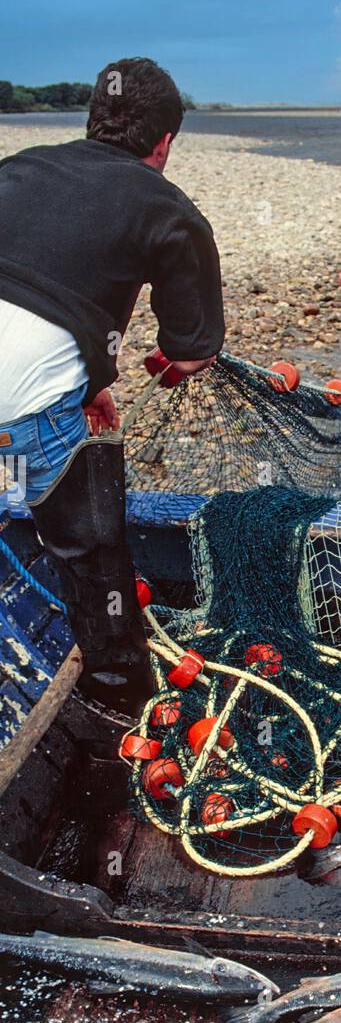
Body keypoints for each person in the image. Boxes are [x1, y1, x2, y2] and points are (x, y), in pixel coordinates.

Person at [0, 57, 225, 718]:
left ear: (92, 119)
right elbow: (191, 352)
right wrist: (157, 363)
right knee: (92, 552)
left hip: (30, 391)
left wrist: (88, 377)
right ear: (164, 144)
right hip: (25, 409)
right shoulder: (169, 210)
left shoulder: (19, 169)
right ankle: (118, 695)